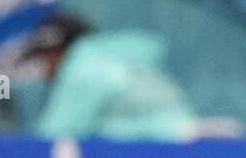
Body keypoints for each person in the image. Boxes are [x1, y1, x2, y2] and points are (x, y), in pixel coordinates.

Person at [27, 13, 200, 143]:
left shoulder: (83, 70)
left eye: (45, 57)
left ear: (58, 54)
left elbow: (49, 142)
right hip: (191, 144)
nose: (44, 68)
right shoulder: (125, 60)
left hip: (165, 153)